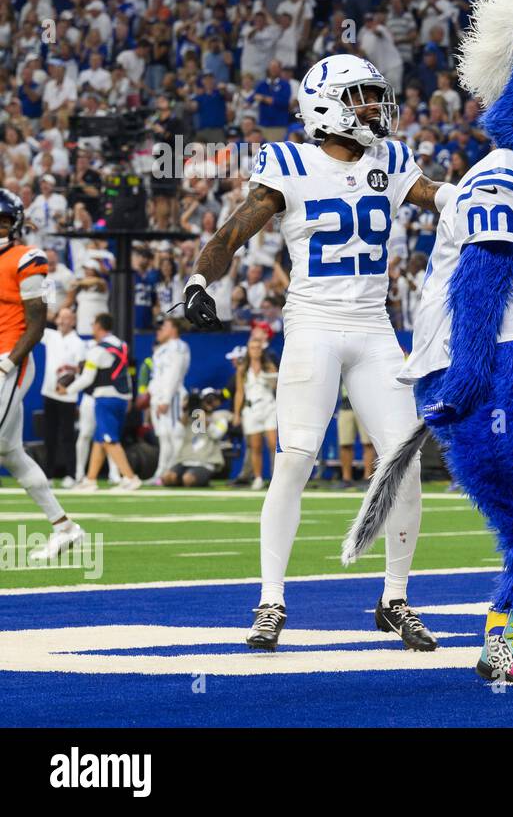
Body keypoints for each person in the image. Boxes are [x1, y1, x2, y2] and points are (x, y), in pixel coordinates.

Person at [182, 53, 442, 652]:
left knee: (403, 464)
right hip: (314, 326)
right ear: (327, 106)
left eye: (375, 97)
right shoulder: (289, 161)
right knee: (296, 459)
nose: (375, 109)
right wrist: (201, 280)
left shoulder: (392, 159)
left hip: (375, 328)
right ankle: (271, 600)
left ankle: (395, 599)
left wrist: (485, 194)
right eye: (362, 98)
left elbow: (435, 196)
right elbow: (231, 233)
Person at [0, 191, 84, 561]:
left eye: (2, 221)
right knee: (12, 453)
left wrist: (8, 364)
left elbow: (36, 323)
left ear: (15, 225)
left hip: (9, 360)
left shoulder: (27, 258)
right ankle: (65, 527)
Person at [66, 313, 141, 492]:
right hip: (122, 398)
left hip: (105, 397)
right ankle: (90, 480)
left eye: (93, 325)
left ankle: (130, 478)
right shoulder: (122, 345)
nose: (92, 328)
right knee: (100, 439)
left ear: (99, 326)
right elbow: (127, 374)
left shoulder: (97, 350)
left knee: (109, 439)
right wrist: (129, 396)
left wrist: (67, 390)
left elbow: (87, 378)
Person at [39, 306, 85, 485]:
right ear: (56, 320)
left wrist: (67, 386)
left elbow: (80, 368)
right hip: (49, 392)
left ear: (73, 321)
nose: (63, 321)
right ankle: (48, 475)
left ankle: (71, 475)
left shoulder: (79, 342)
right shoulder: (50, 336)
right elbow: (34, 327)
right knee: (49, 435)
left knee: (67, 435)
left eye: (67, 318)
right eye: (61, 318)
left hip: (67, 395)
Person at [145, 317, 190, 486]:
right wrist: (154, 397)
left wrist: (166, 398)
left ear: (173, 329)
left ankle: (171, 471)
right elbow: (157, 376)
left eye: (164, 326)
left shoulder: (178, 347)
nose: (160, 330)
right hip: (160, 398)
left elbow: (174, 375)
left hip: (172, 396)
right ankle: (161, 472)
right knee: (163, 436)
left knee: (174, 434)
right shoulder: (161, 350)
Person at [233, 327, 278, 489]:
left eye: (258, 348)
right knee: (255, 446)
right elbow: (239, 392)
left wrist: (272, 379)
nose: (255, 351)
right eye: (252, 348)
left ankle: (276, 476)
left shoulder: (269, 365)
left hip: (269, 407)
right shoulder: (243, 369)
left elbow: (277, 386)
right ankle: (258, 477)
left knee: (273, 443)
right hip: (251, 409)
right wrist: (237, 413)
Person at [162, 388, 233, 487]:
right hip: (185, 460)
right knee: (167, 478)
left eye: (213, 399)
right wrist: (187, 410)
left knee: (188, 479)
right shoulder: (189, 417)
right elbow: (177, 434)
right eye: (207, 399)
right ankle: (181, 479)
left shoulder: (219, 417)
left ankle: (195, 480)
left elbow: (216, 434)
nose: (210, 403)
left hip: (205, 462)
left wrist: (201, 417)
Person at [336, 384, 376, 487]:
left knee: (368, 443)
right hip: (345, 407)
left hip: (365, 406)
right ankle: (346, 479)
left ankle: (368, 479)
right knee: (345, 443)